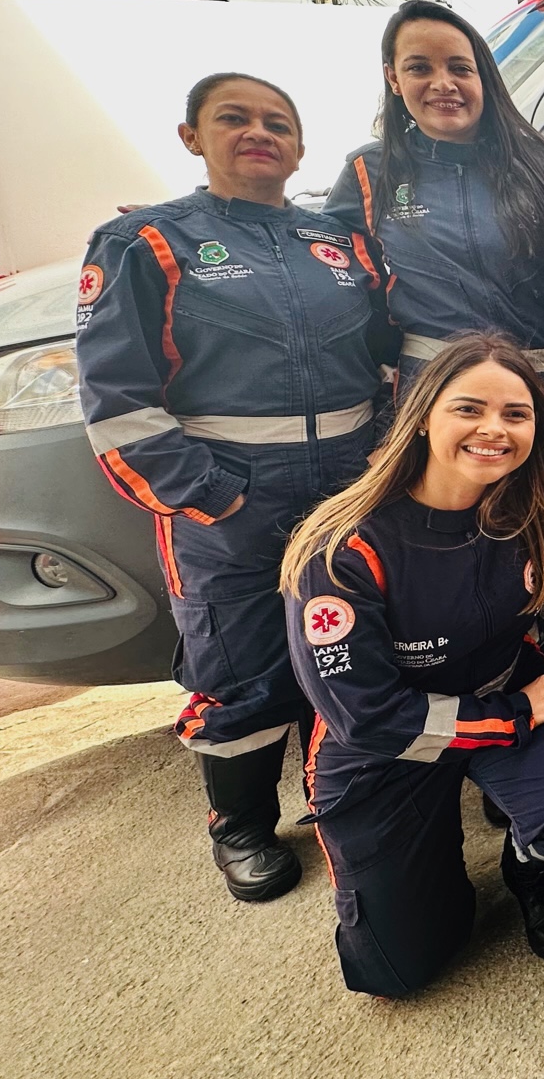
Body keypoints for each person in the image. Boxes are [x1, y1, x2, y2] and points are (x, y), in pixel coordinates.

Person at [76, 72, 396, 903]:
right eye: (235, 119)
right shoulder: (146, 244)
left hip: (349, 486)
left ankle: (355, 789)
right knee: (240, 661)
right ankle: (243, 825)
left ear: (299, 145)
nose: (259, 133)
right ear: (192, 136)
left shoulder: (339, 243)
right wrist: (211, 495)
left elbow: (384, 360)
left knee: (354, 640)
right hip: (231, 501)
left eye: (277, 122)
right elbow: (117, 404)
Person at [282, 335, 544, 997]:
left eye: (516, 414)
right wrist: (515, 716)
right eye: (469, 409)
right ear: (422, 416)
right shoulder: (342, 551)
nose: (493, 431)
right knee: (404, 970)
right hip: (389, 749)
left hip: (503, 689)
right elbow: (372, 722)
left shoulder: (532, 503)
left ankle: (531, 862)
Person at [320, 0, 544, 715]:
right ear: (393, 79)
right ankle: (485, 692)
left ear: (485, 77)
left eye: (460, 67)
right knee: (462, 536)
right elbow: (337, 287)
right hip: (435, 395)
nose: (443, 83)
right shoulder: (370, 174)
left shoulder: (542, 169)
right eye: (420, 68)